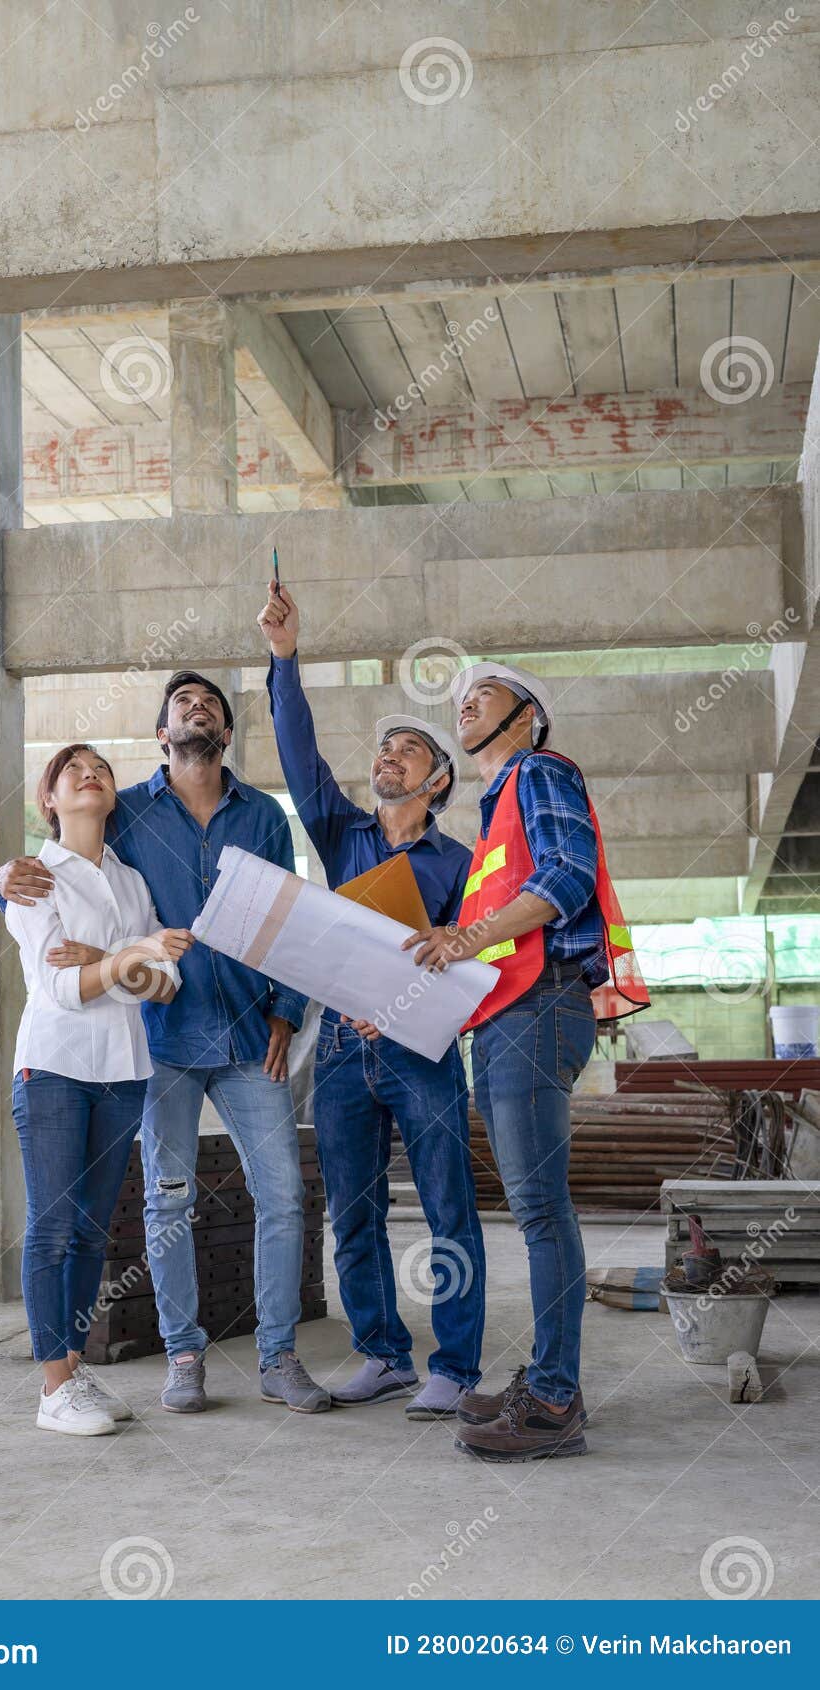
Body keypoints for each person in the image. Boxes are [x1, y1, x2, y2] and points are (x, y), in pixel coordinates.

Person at [0, 673, 330, 1415]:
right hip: (160, 1044)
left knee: (282, 1194)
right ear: (161, 735)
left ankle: (278, 1356)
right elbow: (58, 857)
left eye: (209, 703)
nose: (196, 708)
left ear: (226, 734)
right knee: (166, 1202)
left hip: (249, 1035)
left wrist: (286, 1012)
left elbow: (289, 919)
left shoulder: (263, 816)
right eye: (182, 703)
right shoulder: (128, 812)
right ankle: (183, 1356)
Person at [401, 663, 648, 1461]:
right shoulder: (496, 814)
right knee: (537, 1209)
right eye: (460, 696)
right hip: (516, 1014)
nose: (466, 699)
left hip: (538, 1011)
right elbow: (489, 951)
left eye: (487, 692)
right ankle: (549, 1380)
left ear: (527, 717)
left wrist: (466, 937)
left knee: (542, 1211)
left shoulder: (537, 772)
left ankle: (552, 1402)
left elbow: (567, 877)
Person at [258, 581, 486, 1417]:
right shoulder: (340, 831)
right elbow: (298, 754)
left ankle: (455, 1367)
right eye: (384, 747)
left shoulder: (460, 865)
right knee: (351, 1213)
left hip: (422, 1052)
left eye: (408, 749)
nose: (389, 754)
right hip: (343, 1051)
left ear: (437, 782)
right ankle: (384, 1354)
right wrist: (285, 658)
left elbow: (471, 966)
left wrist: (412, 992)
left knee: (448, 1208)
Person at [6, 743, 193, 1437]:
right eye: (72, 770)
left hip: (123, 1071)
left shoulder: (132, 881)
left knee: (90, 1231)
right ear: (49, 799)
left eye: (102, 770)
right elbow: (63, 989)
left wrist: (110, 963)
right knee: (52, 1227)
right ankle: (52, 1387)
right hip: (54, 1068)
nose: (91, 774)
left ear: (113, 796)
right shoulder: (33, 878)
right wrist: (132, 957)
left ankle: (74, 1368)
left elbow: (165, 986)